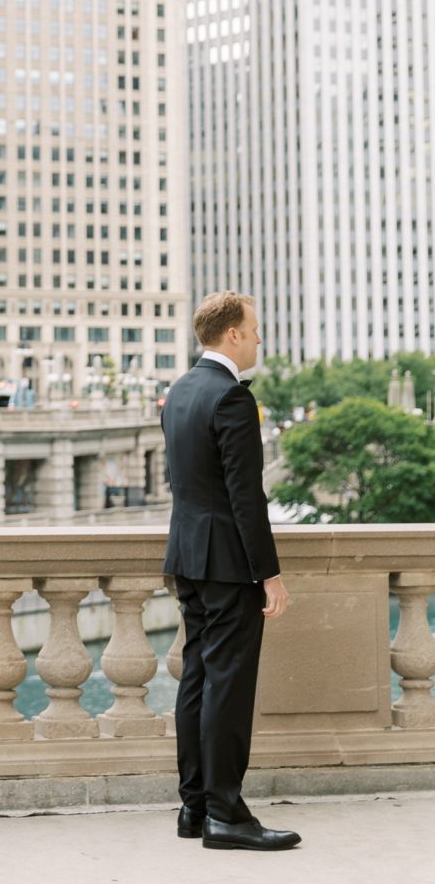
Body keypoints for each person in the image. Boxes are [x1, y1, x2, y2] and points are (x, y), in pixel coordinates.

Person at [160, 291, 300, 853]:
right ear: (233, 335)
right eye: (256, 329)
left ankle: (194, 806)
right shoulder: (232, 399)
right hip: (228, 562)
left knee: (197, 678)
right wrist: (269, 574)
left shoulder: (180, 393)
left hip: (188, 556)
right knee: (228, 686)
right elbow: (247, 497)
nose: (260, 339)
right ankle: (227, 814)